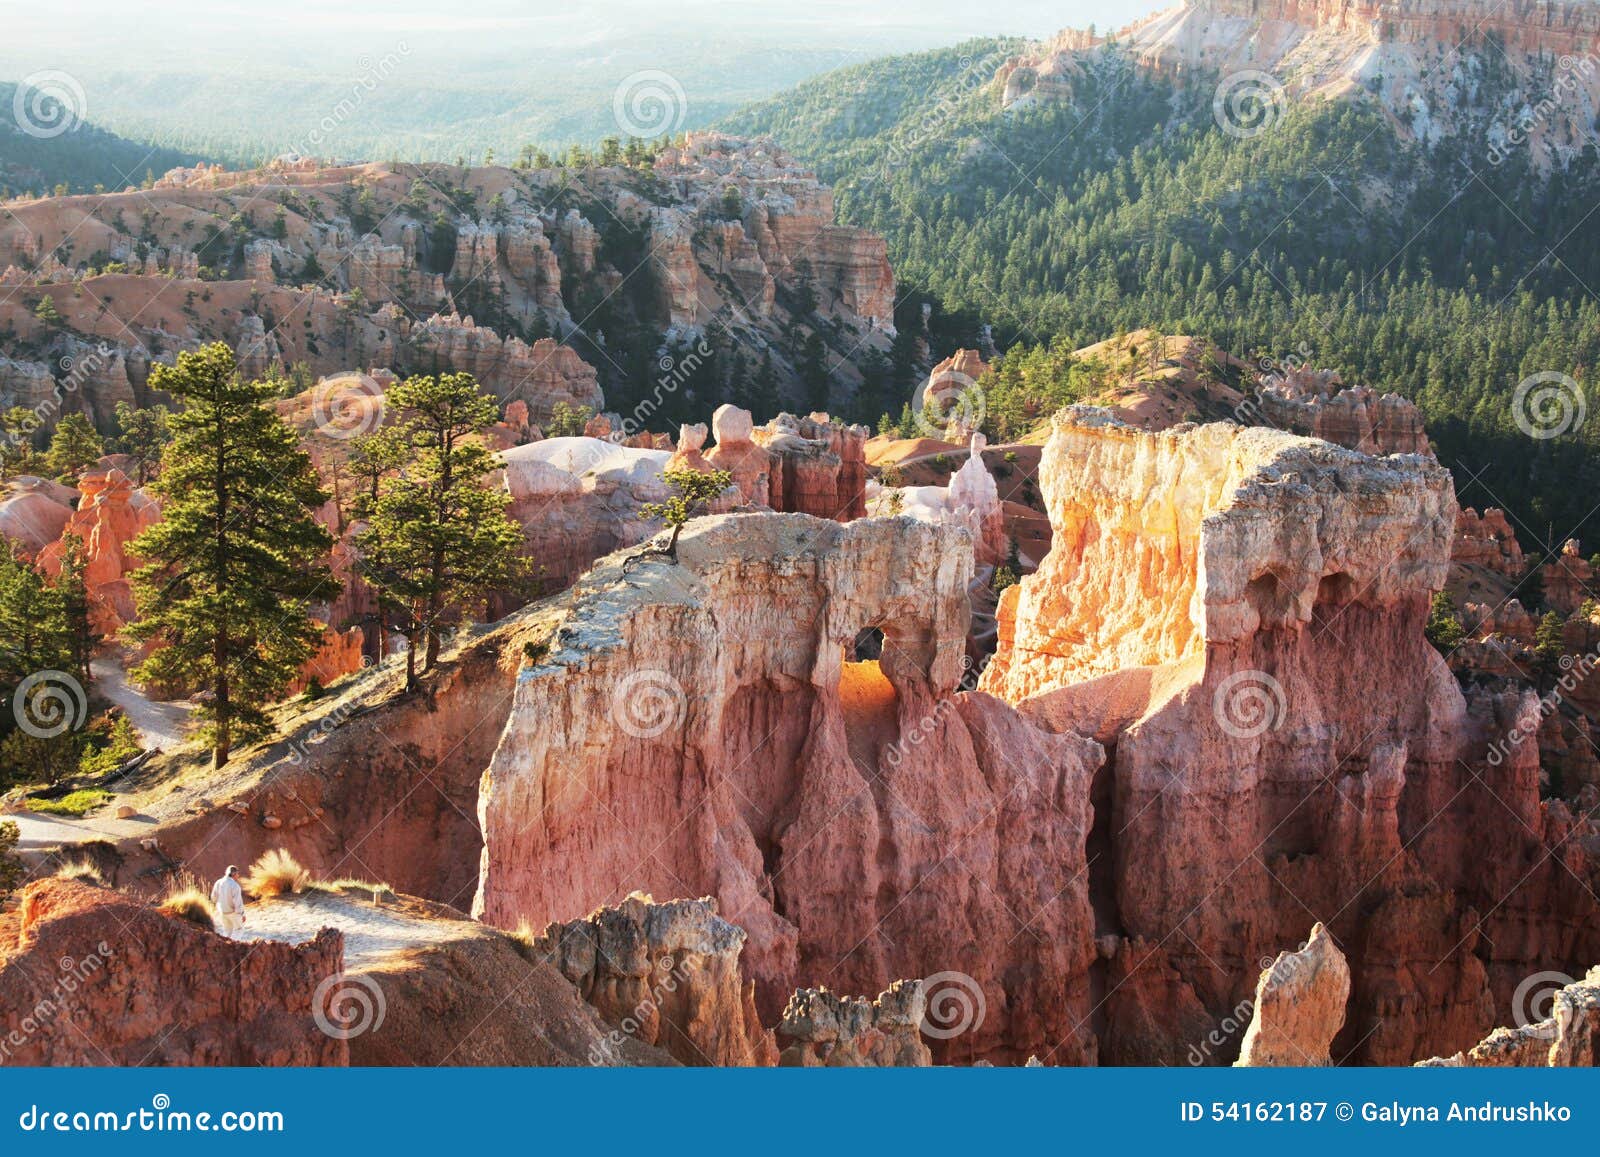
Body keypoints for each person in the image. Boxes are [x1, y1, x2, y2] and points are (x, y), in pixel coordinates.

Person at [210, 865, 246, 937]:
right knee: (238, 930)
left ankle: (226, 947)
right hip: (233, 913)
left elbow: (213, 898)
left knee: (227, 932)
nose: (238, 876)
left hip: (222, 912)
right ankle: (234, 946)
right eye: (237, 874)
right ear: (233, 874)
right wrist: (242, 914)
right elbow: (238, 903)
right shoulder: (235, 886)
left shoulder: (218, 882)